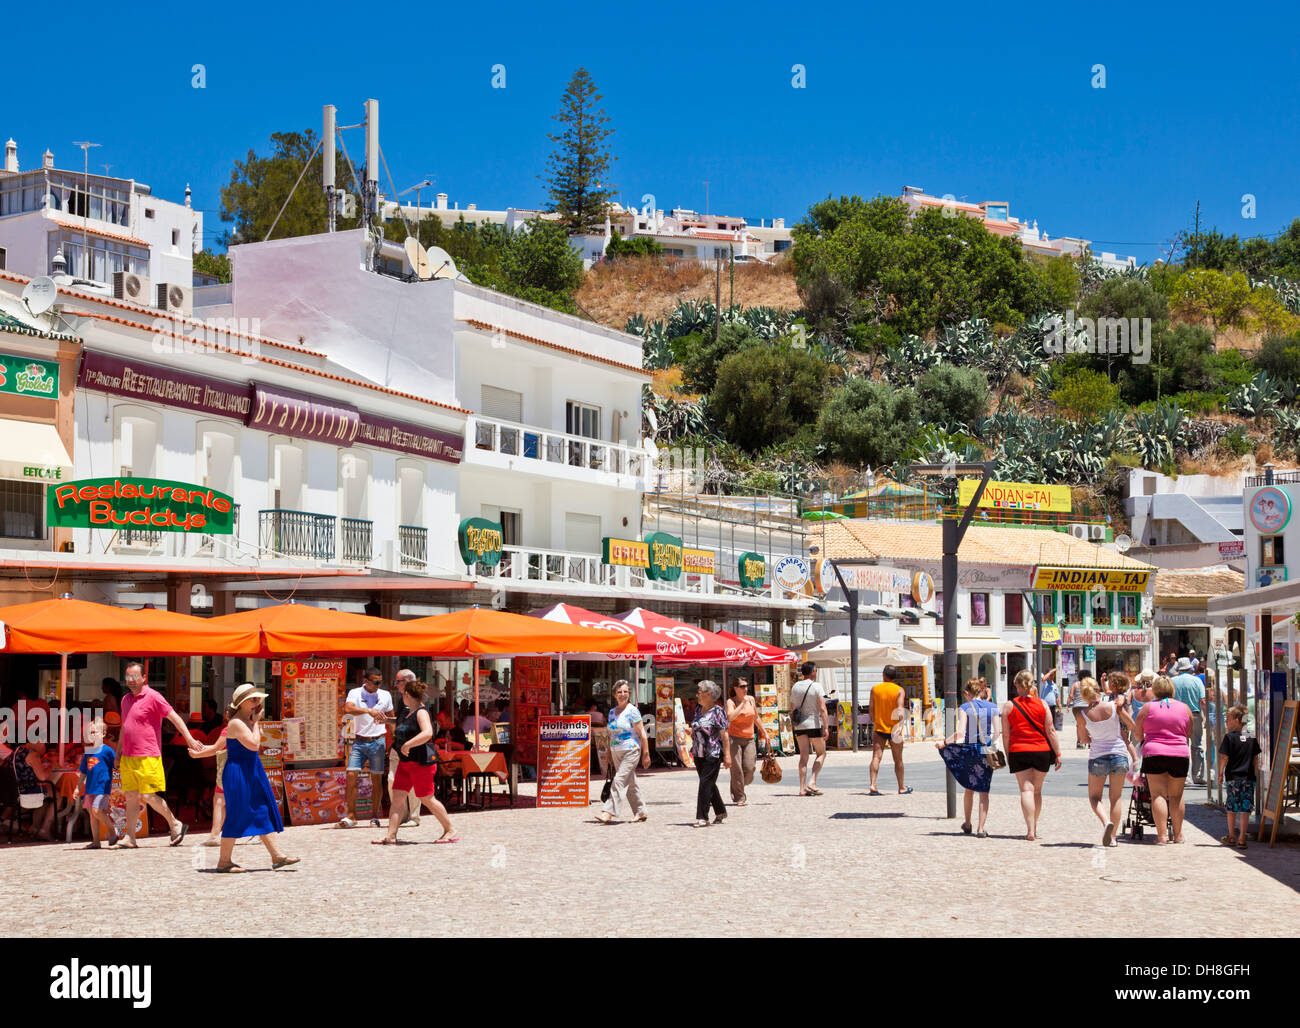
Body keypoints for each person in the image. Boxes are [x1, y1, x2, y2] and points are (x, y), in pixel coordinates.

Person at [211, 684, 299, 872]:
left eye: (258, 699)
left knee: (261, 810)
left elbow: (257, 739)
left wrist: (254, 721)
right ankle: (224, 861)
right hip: (239, 772)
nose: (257, 702)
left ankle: (277, 856)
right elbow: (254, 745)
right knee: (237, 813)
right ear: (242, 703)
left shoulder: (246, 721)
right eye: (253, 699)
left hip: (250, 770)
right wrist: (257, 721)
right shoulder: (236, 723)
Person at [118, 660, 202, 848]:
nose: (131, 680)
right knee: (131, 797)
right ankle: (130, 837)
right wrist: (118, 753)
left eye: (135, 676)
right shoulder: (125, 700)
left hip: (149, 755)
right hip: (128, 757)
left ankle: (175, 823)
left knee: (148, 796)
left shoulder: (154, 697)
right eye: (128, 677)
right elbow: (125, 728)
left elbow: (175, 717)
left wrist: (188, 738)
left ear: (144, 678)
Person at [374, 679, 458, 845]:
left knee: (427, 798)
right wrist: (386, 721)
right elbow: (402, 723)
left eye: (402, 693)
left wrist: (408, 744)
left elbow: (427, 733)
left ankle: (450, 830)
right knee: (397, 799)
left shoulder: (421, 712)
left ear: (406, 694)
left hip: (421, 764)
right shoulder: (407, 712)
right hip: (406, 763)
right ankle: (390, 836)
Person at [1000, 669, 1062, 841]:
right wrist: (1057, 753)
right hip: (1041, 750)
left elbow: (1006, 734)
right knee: (1037, 791)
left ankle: (1030, 830)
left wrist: (1008, 753)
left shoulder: (1009, 706)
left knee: (1026, 789)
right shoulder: (1042, 704)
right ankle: (1035, 825)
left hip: (1019, 750)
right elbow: (1050, 730)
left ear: (1018, 686)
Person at [935, 679, 999, 837]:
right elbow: (997, 732)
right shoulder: (993, 707)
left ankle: (968, 823)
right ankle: (981, 828)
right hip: (986, 750)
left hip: (970, 750)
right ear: (982, 691)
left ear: (967, 693)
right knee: (984, 790)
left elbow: (961, 733)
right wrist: (990, 743)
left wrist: (944, 742)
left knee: (969, 788)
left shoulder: (965, 708)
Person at [1133, 675, 1192, 845]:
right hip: (1179, 754)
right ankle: (1179, 834)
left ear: (1155, 690)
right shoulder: (1185, 708)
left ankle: (1162, 836)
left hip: (1154, 752)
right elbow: (1188, 733)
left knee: (1157, 794)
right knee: (1176, 795)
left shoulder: (1147, 708)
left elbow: (1138, 733)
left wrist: (1146, 738)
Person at [1080, 679, 1132, 848]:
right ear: (1098, 690)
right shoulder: (1112, 706)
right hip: (1119, 753)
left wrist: (1094, 735)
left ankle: (1105, 822)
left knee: (1095, 797)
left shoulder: (1082, 714)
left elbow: (1083, 739)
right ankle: (1113, 838)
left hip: (1098, 755)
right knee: (1115, 798)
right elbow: (1131, 725)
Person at [340, 667, 393, 829]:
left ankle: (375, 816)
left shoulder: (385, 695)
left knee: (376, 779)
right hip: (359, 740)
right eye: (375, 682)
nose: (378, 685)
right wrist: (368, 711)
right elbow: (347, 709)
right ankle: (351, 815)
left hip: (378, 740)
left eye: (380, 682)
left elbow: (392, 717)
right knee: (350, 774)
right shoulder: (355, 693)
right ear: (366, 681)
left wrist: (395, 739)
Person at [596, 680, 650, 824]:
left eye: (625, 691)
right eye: (619, 692)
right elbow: (610, 734)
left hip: (631, 749)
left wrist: (646, 754)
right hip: (616, 750)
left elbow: (642, 733)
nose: (622, 694)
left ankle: (608, 811)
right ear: (614, 695)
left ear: (629, 694)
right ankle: (641, 811)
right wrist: (608, 752)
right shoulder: (612, 712)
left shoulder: (632, 711)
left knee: (619, 780)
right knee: (630, 782)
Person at [683, 680, 730, 827]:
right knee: (709, 783)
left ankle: (702, 817)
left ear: (708, 694)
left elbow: (724, 735)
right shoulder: (698, 709)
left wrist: (727, 755)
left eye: (699, 692)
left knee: (704, 784)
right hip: (698, 753)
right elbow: (699, 728)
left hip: (713, 754)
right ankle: (720, 811)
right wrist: (691, 731)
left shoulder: (718, 712)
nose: (697, 695)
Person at [1218, 704, 1260, 849]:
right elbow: (1255, 758)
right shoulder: (1250, 736)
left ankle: (1231, 836)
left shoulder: (1229, 737)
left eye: (1228, 719)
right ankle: (1242, 838)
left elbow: (1224, 757)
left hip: (1233, 778)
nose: (1226, 722)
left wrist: (1220, 773)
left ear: (1236, 720)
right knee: (1245, 809)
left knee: (1232, 808)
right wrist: (1253, 772)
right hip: (1248, 778)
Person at [725, 677, 769, 806]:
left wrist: (764, 732)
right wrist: (742, 704)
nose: (745, 689)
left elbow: (755, 717)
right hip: (734, 739)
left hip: (749, 738)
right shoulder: (730, 701)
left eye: (746, 686)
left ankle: (736, 785)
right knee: (736, 769)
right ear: (735, 688)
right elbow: (730, 717)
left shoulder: (751, 699)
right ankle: (740, 797)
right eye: (742, 686)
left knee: (750, 769)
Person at [75, 719, 118, 849]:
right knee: (92, 815)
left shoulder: (108, 751)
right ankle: (96, 841)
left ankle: (112, 830)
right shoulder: (88, 752)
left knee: (97, 811)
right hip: (90, 788)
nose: (92, 734)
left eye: (95, 732)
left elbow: (116, 765)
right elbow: (83, 771)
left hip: (102, 787)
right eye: (91, 732)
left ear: (104, 734)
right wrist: (78, 787)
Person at [188, 715, 230, 846]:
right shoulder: (247, 727)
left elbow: (216, 748)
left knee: (219, 801)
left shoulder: (227, 730)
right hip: (241, 768)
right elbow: (216, 747)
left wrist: (197, 755)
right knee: (223, 800)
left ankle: (215, 835)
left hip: (226, 768)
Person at [869, 665, 910, 796]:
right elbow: (900, 710)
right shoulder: (899, 690)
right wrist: (900, 726)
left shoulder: (875, 689)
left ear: (884, 675)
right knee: (898, 760)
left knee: (876, 757)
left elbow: (871, 710)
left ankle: (873, 785)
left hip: (879, 727)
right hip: (895, 730)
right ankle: (901, 787)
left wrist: (876, 721)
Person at [791, 661, 828, 797]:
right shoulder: (816, 686)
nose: (816, 673)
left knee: (803, 756)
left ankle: (801, 788)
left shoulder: (795, 687)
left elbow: (793, 708)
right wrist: (826, 727)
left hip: (800, 725)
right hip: (813, 723)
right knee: (821, 753)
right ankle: (812, 781)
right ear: (812, 672)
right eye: (816, 670)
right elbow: (822, 708)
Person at [1170, 657, 1205, 784]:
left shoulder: (1172, 681)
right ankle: (1197, 776)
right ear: (1190, 668)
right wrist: (1205, 717)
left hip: (1177, 717)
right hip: (1194, 715)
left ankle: (1184, 776)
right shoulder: (1197, 681)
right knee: (1197, 746)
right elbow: (1203, 701)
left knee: (1181, 745)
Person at [12, 740, 56, 841]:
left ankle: (35, 827)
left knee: (47, 795)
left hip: (17, 791)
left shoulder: (17, 751)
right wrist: (52, 766)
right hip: (27, 792)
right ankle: (45, 829)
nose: (44, 748)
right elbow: (43, 777)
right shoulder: (32, 754)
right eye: (44, 744)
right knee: (57, 794)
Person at [1039, 667, 1060, 732]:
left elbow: (1057, 696)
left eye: (1053, 674)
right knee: (1044, 722)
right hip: (1045, 706)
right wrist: (1051, 671)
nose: (1052, 676)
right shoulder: (1044, 683)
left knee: (1052, 723)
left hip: (1052, 706)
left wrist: (1059, 705)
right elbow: (1044, 679)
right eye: (1051, 674)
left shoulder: (1054, 685)